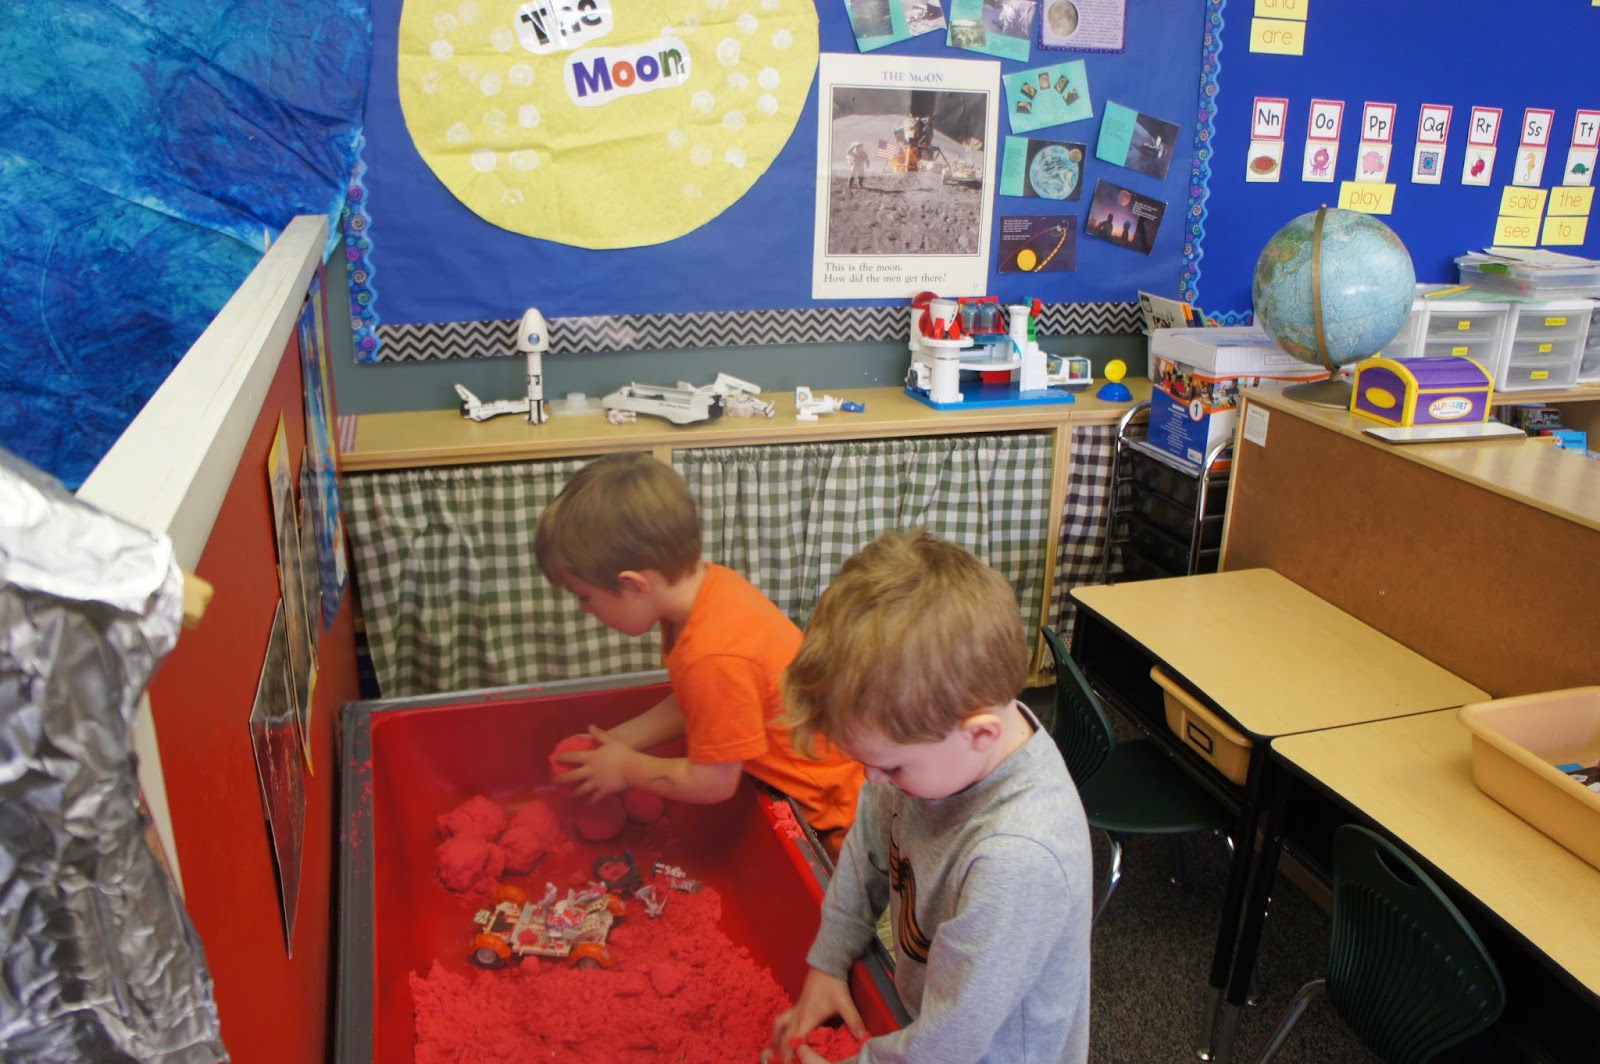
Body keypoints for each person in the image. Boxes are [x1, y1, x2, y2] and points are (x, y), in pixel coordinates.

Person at [769, 530, 1092, 1064]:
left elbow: (954, 1041)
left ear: (980, 732)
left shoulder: (1019, 858)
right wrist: (829, 960)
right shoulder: (933, 753)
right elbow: (868, 847)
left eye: (890, 766)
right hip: (932, 1016)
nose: (871, 780)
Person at [535, 453, 864, 857]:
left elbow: (713, 783)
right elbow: (701, 703)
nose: (585, 609)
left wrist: (625, 769)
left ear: (635, 585)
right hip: (832, 777)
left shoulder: (714, 654)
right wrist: (620, 740)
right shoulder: (708, 590)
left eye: (585, 597)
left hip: (828, 821)